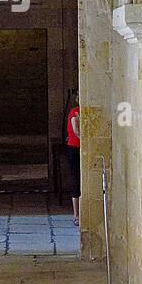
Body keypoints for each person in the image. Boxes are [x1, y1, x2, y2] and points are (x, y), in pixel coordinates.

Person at [65, 91, 81, 226]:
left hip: (81, 148)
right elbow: (77, 131)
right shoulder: (75, 112)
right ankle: (76, 214)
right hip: (75, 148)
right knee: (76, 178)